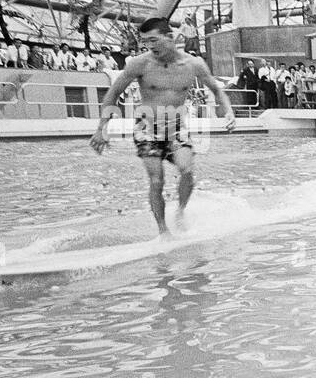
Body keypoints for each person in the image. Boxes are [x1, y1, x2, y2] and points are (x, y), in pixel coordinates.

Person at [89, 17, 236, 238]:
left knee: (187, 171)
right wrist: (102, 127)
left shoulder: (194, 64)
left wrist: (229, 111)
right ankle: (163, 230)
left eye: (154, 40)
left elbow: (217, 90)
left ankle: (180, 211)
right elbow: (113, 94)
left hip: (176, 125)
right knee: (157, 180)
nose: (151, 46)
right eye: (146, 42)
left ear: (170, 37)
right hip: (146, 127)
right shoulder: (140, 63)